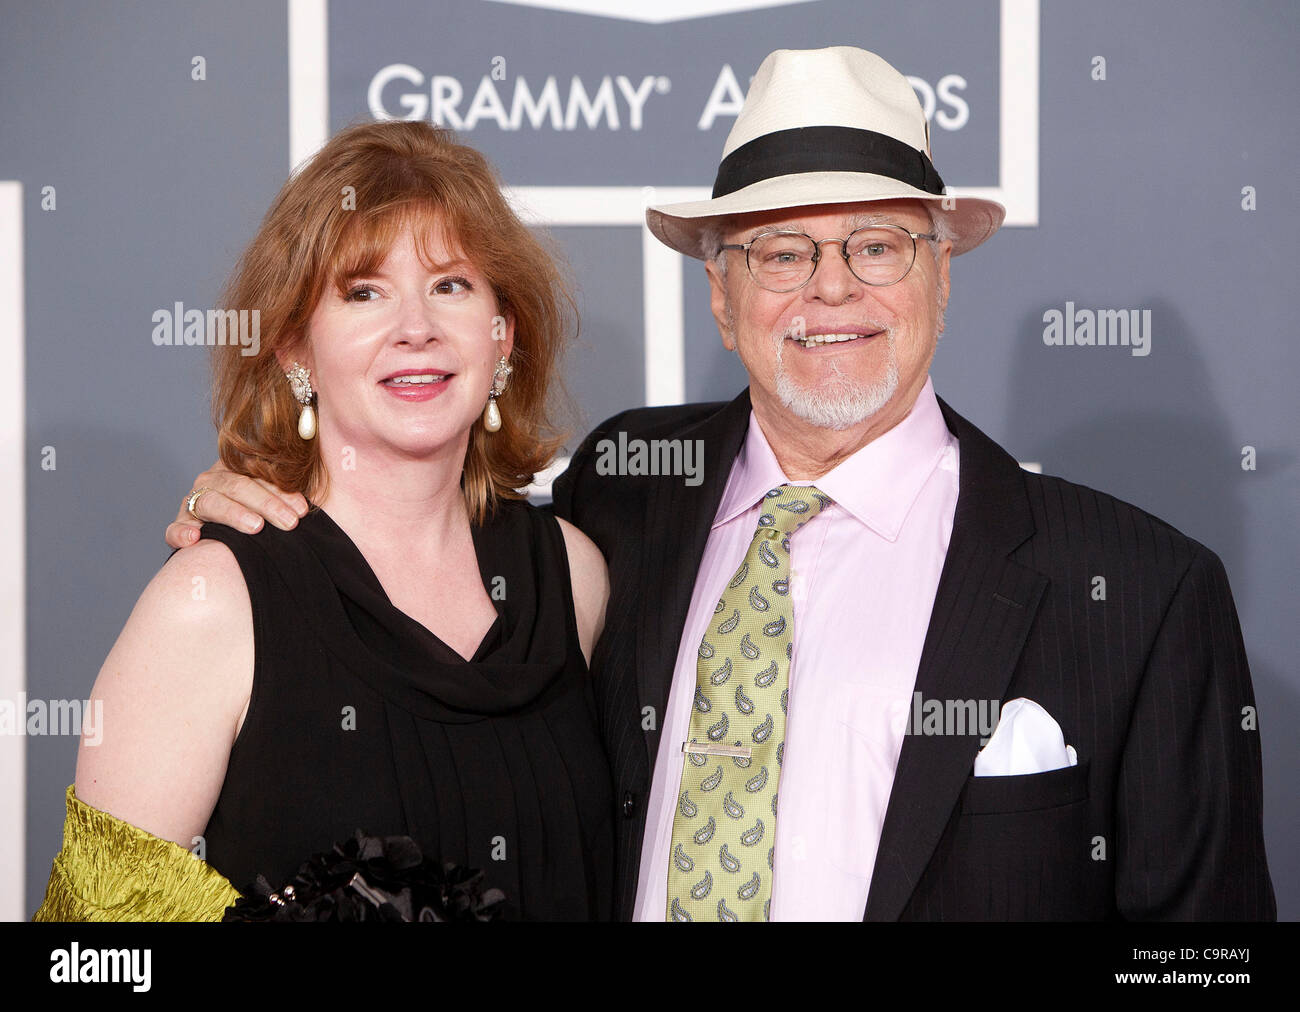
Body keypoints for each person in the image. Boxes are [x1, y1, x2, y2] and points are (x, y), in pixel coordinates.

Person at [161, 48, 1275, 921]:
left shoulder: (1134, 590)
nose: (829, 289)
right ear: (720, 294)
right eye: (781, 252)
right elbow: (402, 575)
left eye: (877, 246)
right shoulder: (619, 505)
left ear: (941, 272)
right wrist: (264, 513)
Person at [36, 120, 614, 921]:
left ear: (502, 335)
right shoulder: (215, 600)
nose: (416, 326)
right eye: (364, 291)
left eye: (451, 285)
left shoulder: (574, 575)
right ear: (294, 351)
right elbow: (91, 956)